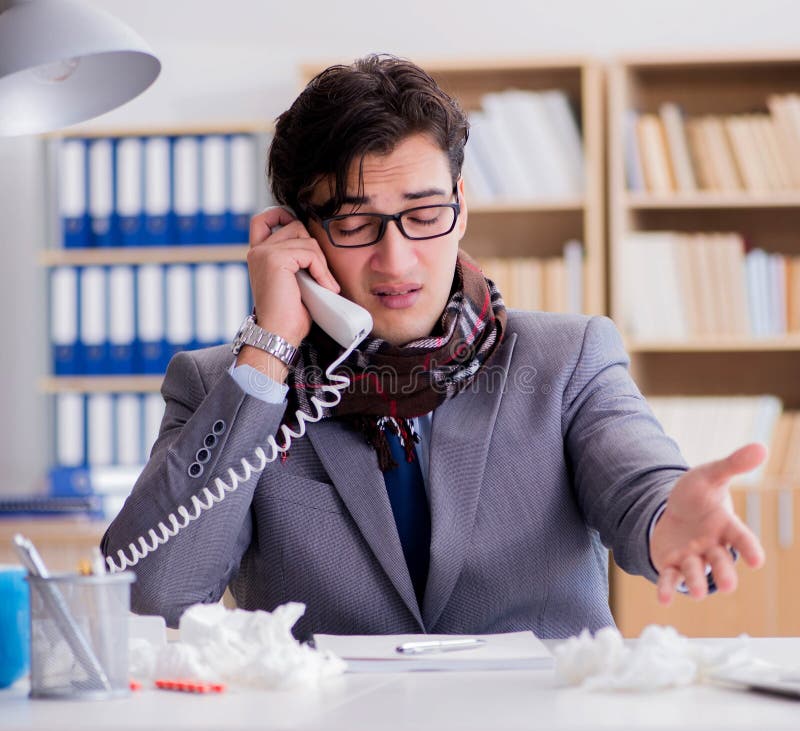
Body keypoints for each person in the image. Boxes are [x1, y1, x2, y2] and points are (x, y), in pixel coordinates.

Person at [102, 55, 765, 639]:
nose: (398, 261)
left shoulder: (566, 359)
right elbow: (148, 599)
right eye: (356, 222)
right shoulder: (225, 385)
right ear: (299, 236)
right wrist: (267, 355)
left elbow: (638, 482)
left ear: (461, 207)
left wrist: (666, 516)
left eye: (424, 217)